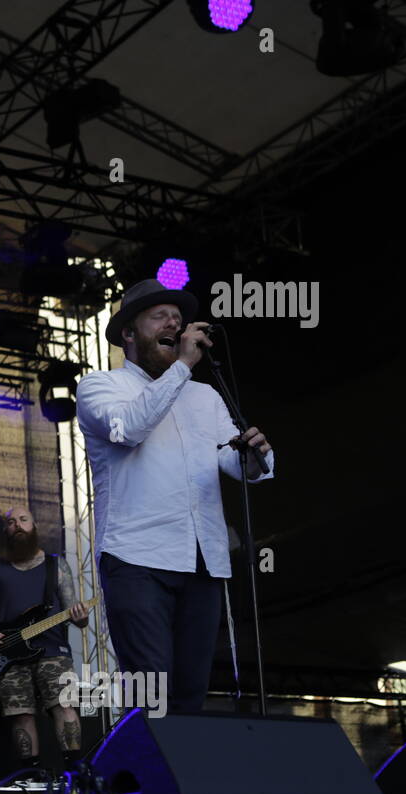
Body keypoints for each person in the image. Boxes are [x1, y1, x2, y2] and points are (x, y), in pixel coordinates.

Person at [75, 278, 275, 714]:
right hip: (137, 557)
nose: (175, 323)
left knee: (189, 694)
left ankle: (183, 782)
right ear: (129, 333)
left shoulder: (204, 396)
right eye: (160, 317)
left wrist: (255, 456)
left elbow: (237, 464)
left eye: (178, 318)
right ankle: (141, 780)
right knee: (152, 689)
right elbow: (129, 430)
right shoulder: (99, 387)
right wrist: (182, 367)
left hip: (203, 560)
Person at [0, 506, 90, 779]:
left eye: (23, 520)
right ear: (6, 531)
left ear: (34, 526)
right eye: (11, 522)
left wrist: (82, 618)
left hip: (53, 650)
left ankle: (75, 767)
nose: (17, 525)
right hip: (8, 653)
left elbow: (75, 613)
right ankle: (30, 773)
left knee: (64, 705)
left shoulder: (56, 565)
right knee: (20, 713)